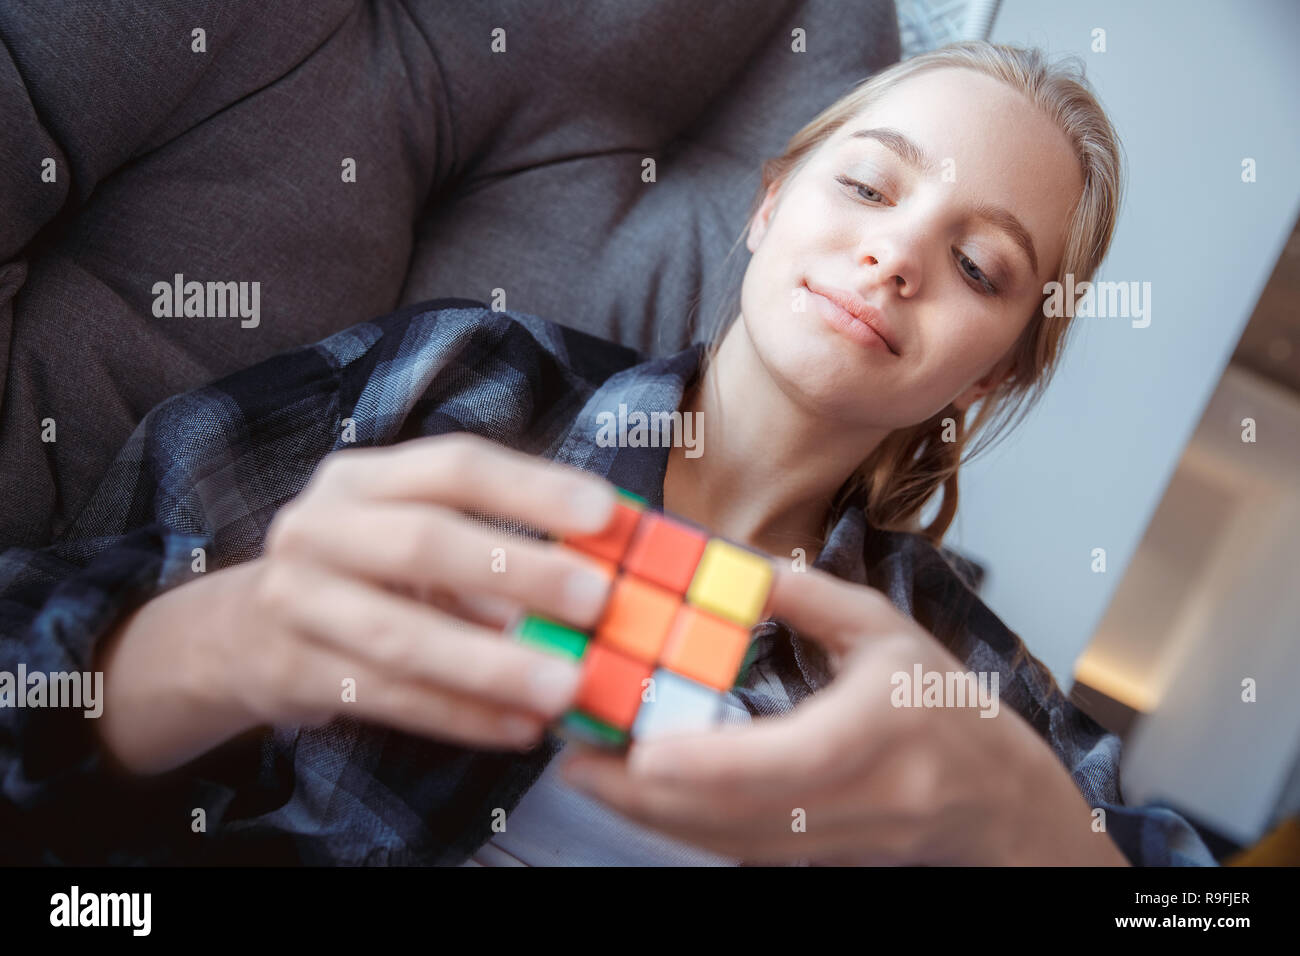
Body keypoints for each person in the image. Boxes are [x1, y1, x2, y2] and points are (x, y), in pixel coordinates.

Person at [0, 41, 1217, 866]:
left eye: (977, 267)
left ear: (994, 369)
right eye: (865, 184)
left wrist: (1034, 828)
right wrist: (216, 643)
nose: (894, 255)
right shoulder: (464, 381)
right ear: (768, 202)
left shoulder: (947, 668)